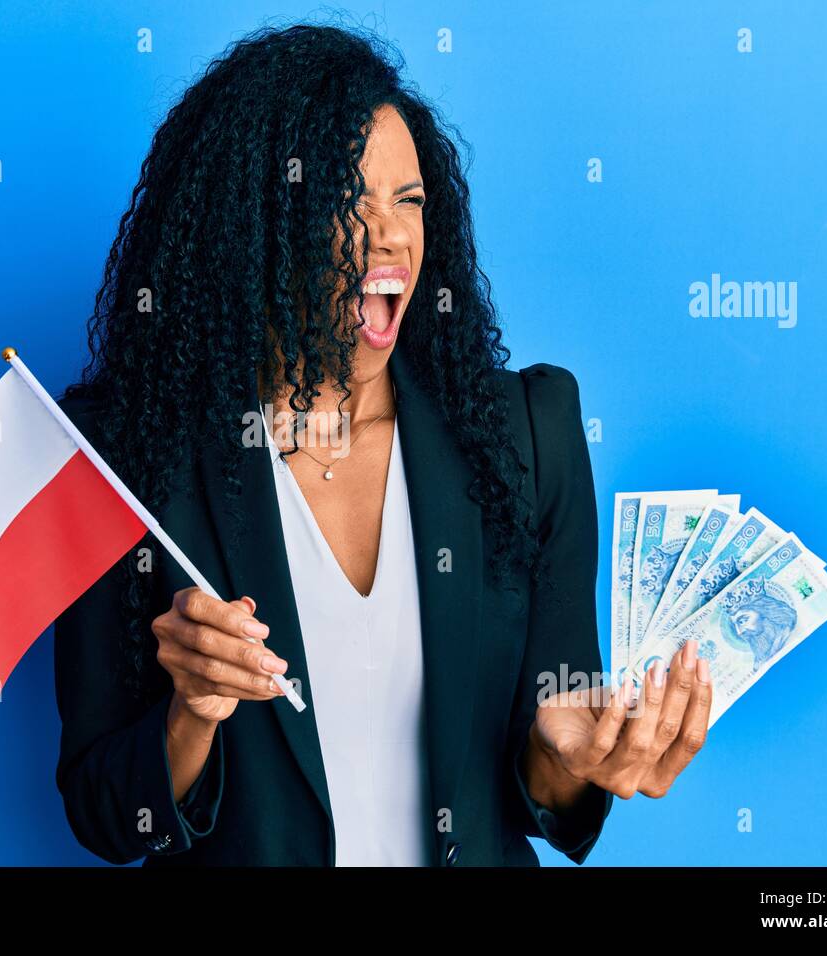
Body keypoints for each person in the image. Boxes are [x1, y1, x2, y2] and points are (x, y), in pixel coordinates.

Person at [52, 23, 711, 867]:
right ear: (249, 228)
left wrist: (569, 758)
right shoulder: (131, 463)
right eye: (344, 200)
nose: (390, 236)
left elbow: (544, 778)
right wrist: (192, 710)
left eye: (409, 200)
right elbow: (104, 814)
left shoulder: (524, 438)